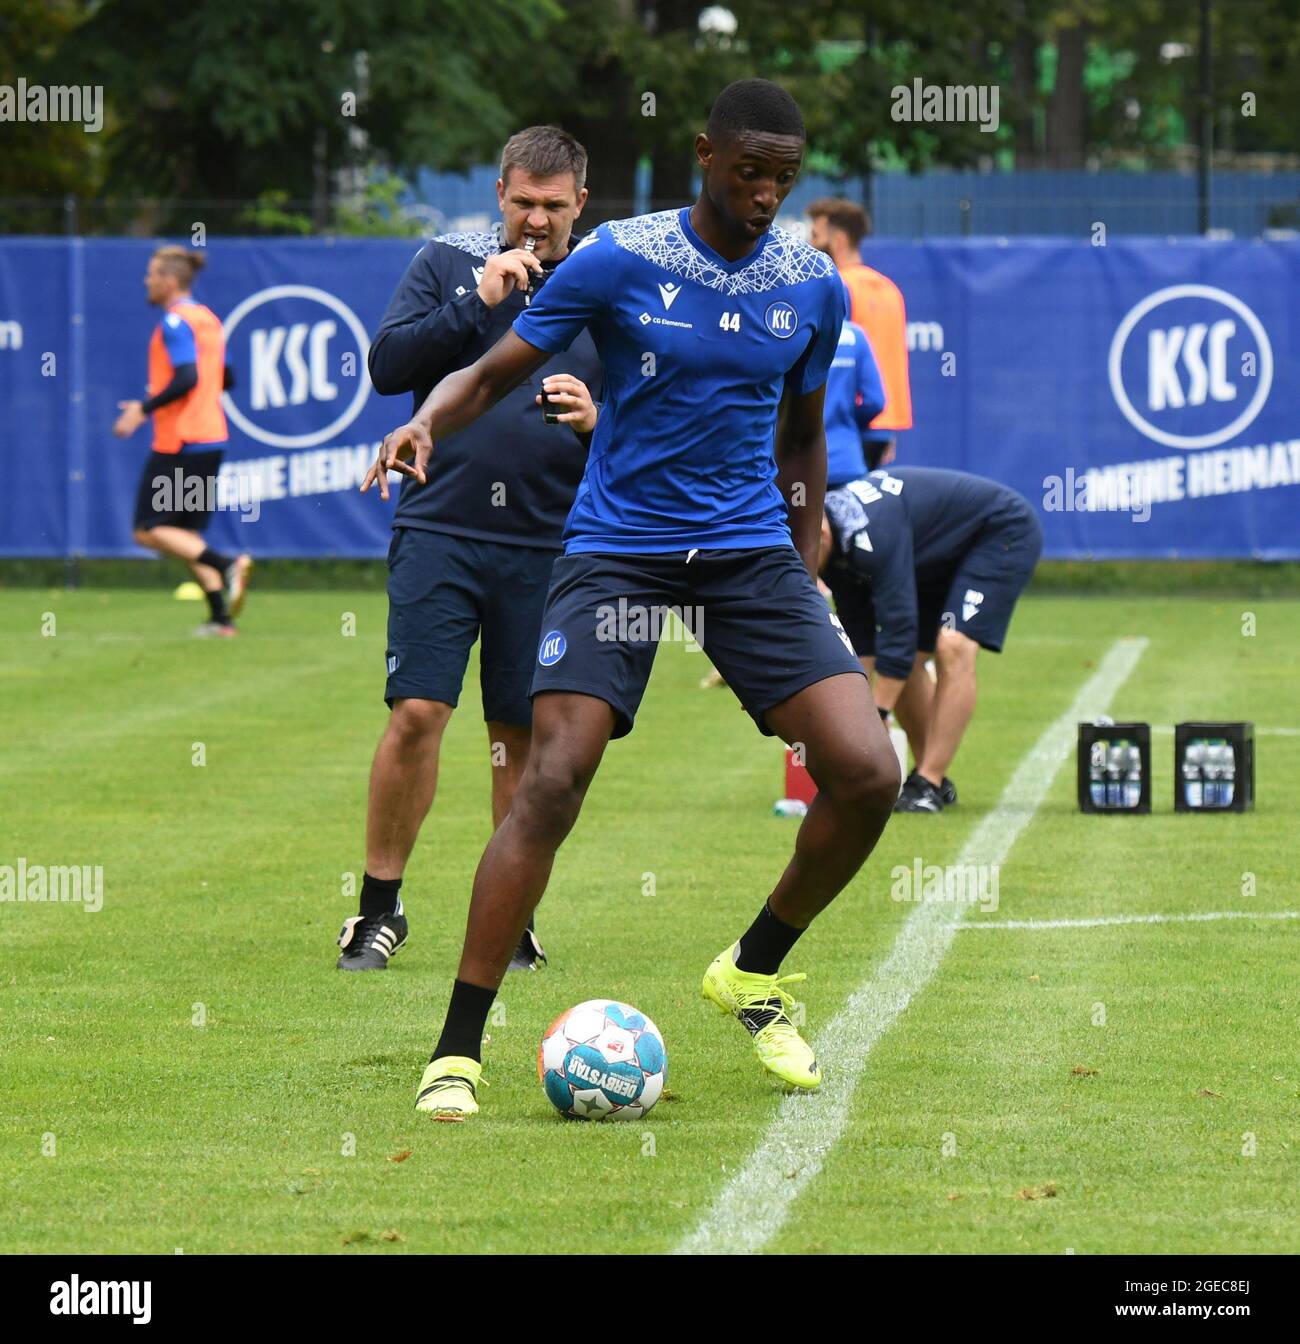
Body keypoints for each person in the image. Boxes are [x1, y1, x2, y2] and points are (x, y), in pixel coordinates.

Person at [364, 78, 900, 1121]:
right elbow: (491, 370)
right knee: (554, 775)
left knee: (867, 770)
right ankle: (458, 1050)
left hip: (748, 554)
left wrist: (805, 554)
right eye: (748, 171)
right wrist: (427, 419)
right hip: (617, 550)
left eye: (783, 178)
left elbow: (802, 439)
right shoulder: (622, 258)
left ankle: (752, 969)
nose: (764, 193)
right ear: (703, 155)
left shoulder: (811, 283)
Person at [337, 127, 603, 976]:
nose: (535, 220)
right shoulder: (447, 266)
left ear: (580, 207)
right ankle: (378, 911)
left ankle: (510, 915)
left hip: (551, 543)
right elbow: (387, 368)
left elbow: (646, 407)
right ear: (500, 193)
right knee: (417, 713)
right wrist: (476, 302)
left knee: (518, 735)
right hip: (441, 527)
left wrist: (600, 417)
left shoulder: (604, 287)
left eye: (553, 207)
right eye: (522, 201)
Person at [821, 467, 1043, 813]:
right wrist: (854, 710)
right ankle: (928, 782)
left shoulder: (870, 535)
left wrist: (877, 714)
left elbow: (899, 626)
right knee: (902, 664)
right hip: (933, 553)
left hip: (998, 532)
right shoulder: (831, 544)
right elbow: (861, 637)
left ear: (819, 535)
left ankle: (929, 779)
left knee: (953, 645)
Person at [113, 246, 251, 635]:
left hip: (182, 441)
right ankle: (221, 620)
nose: (147, 281)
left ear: (169, 281)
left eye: (152, 274)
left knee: (147, 529)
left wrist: (144, 407)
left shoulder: (175, 323)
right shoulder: (207, 319)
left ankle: (228, 565)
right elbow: (226, 379)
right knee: (184, 535)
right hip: (210, 437)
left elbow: (187, 376)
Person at [807, 198, 911, 470]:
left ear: (838, 240)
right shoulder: (890, 290)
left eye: (816, 235)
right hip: (882, 426)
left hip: (845, 428)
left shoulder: (838, 287)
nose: (810, 243)